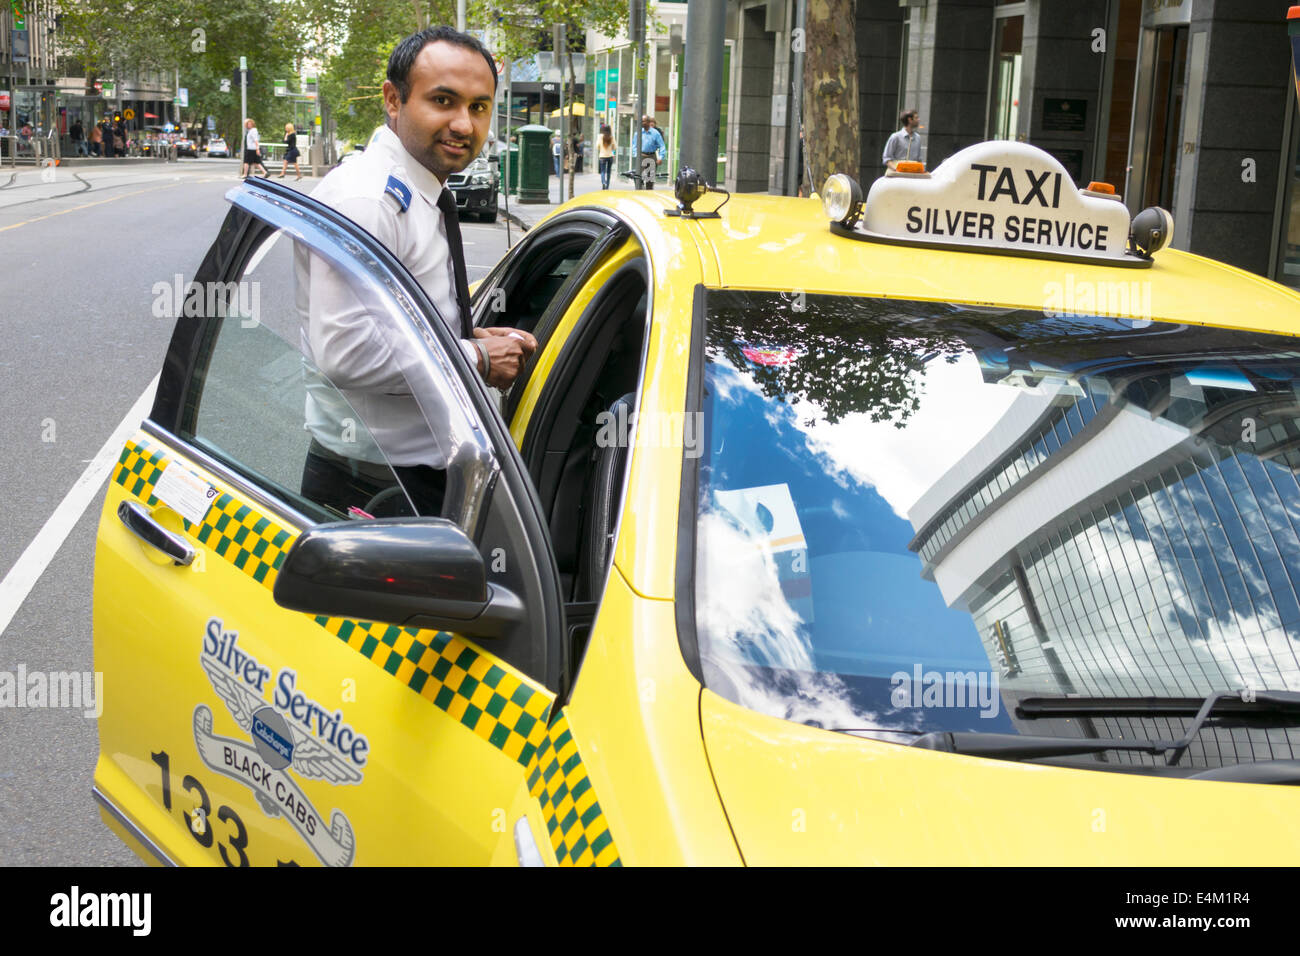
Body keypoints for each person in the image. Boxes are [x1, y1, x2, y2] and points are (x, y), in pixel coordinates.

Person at [298, 25, 537, 517]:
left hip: (413, 472)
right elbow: (346, 354)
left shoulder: (418, 188)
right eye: (443, 101)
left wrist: (462, 335)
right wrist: (476, 357)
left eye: (479, 107)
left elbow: (394, 322)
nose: (464, 124)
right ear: (393, 99)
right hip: (376, 483)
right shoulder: (368, 200)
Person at [636, 114, 665, 189]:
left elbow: (662, 145)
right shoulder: (638, 132)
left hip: (651, 157)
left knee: (650, 180)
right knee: (639, 178)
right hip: (641, 157)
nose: (642, 123)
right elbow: (634, 145)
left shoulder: (655, 133)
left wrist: (660, 157)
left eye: (643, 121)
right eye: (641, 121)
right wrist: (636, 154)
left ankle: (649, 192)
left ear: (648, 122)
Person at [597, 124, 615, 189]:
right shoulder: (611, 137)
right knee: (608, 172)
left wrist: (601, 149)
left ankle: (603, 182)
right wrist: (611, 150)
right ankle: (607, 185)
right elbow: (614, 147)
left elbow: (597, 146)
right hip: (610, 156)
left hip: (602, 156)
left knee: (603, 171)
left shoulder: (600, 136)